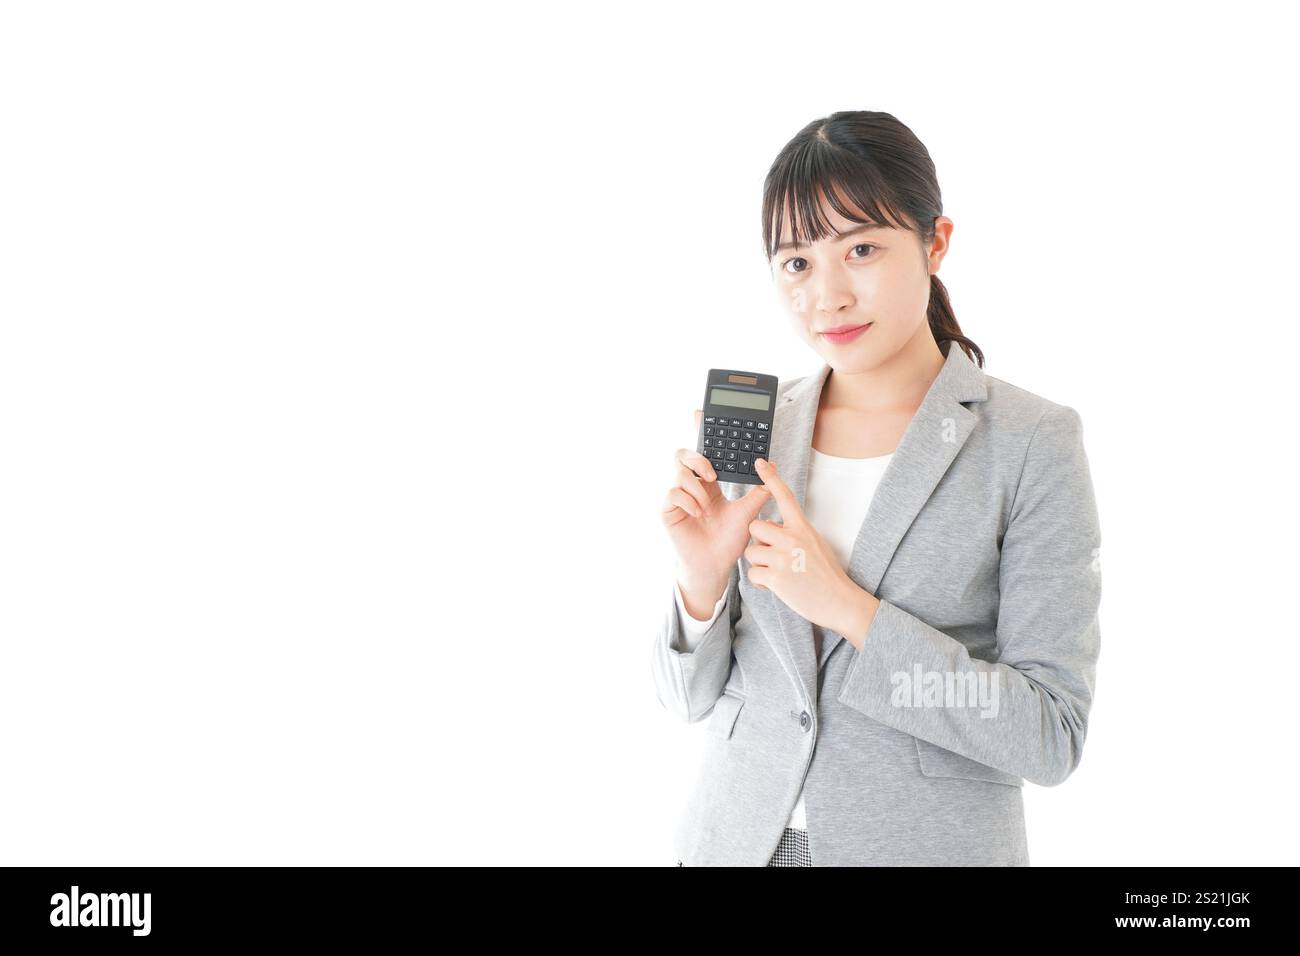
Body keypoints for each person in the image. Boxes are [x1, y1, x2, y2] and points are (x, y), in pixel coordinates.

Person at [653, 110, 1102, 866]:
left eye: (861, 249)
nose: (826, 296)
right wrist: (699, 586)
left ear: (936, 242)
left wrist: (854, 614)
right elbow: (689, 702)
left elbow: (1048, 735)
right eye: (797, 263)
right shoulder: (769, 427)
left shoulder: (1030, 443)